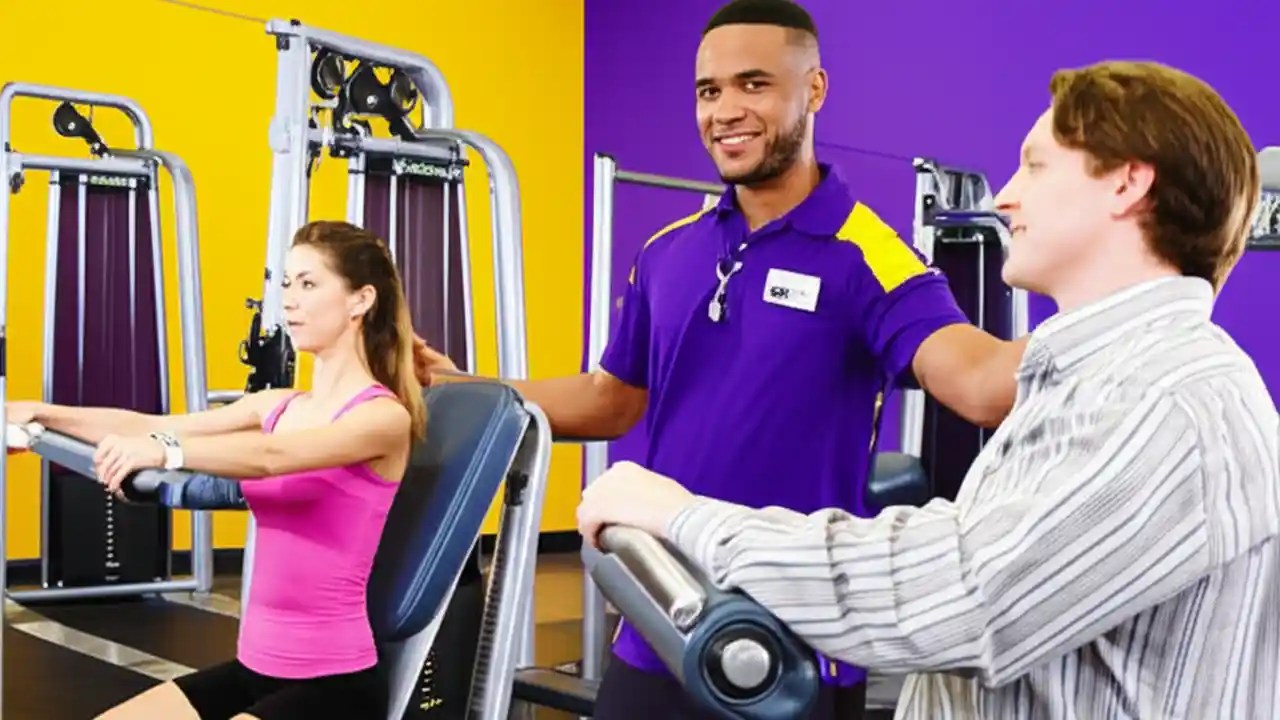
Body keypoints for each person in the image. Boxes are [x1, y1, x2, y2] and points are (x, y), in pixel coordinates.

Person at [577, 59, 1280, 719]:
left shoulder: (1167, 400)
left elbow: (964, 597)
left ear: (1127, 185)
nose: (1006, 195)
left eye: (1036, 165)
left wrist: (690, 520)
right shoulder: (1098, 383)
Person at [412, 1, 1025, 717]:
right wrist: (471, 390)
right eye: (710, 91)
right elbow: (613, 399)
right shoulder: (670, 251)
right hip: (659, 613)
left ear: (815, 90)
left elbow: (981, 384)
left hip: (789, 643)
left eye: (755, 85)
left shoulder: (870, 258)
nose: (727, 110)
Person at [9, 221, 425, 720]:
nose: (289, 300)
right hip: (254, 670)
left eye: (308, 284)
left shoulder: (383, 417)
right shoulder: (279, 405)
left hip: (332, 687)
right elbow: (150, 423)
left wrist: (165, 452)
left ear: (360, 300)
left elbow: (272, 458)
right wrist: (40, 413)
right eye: (286, 284)